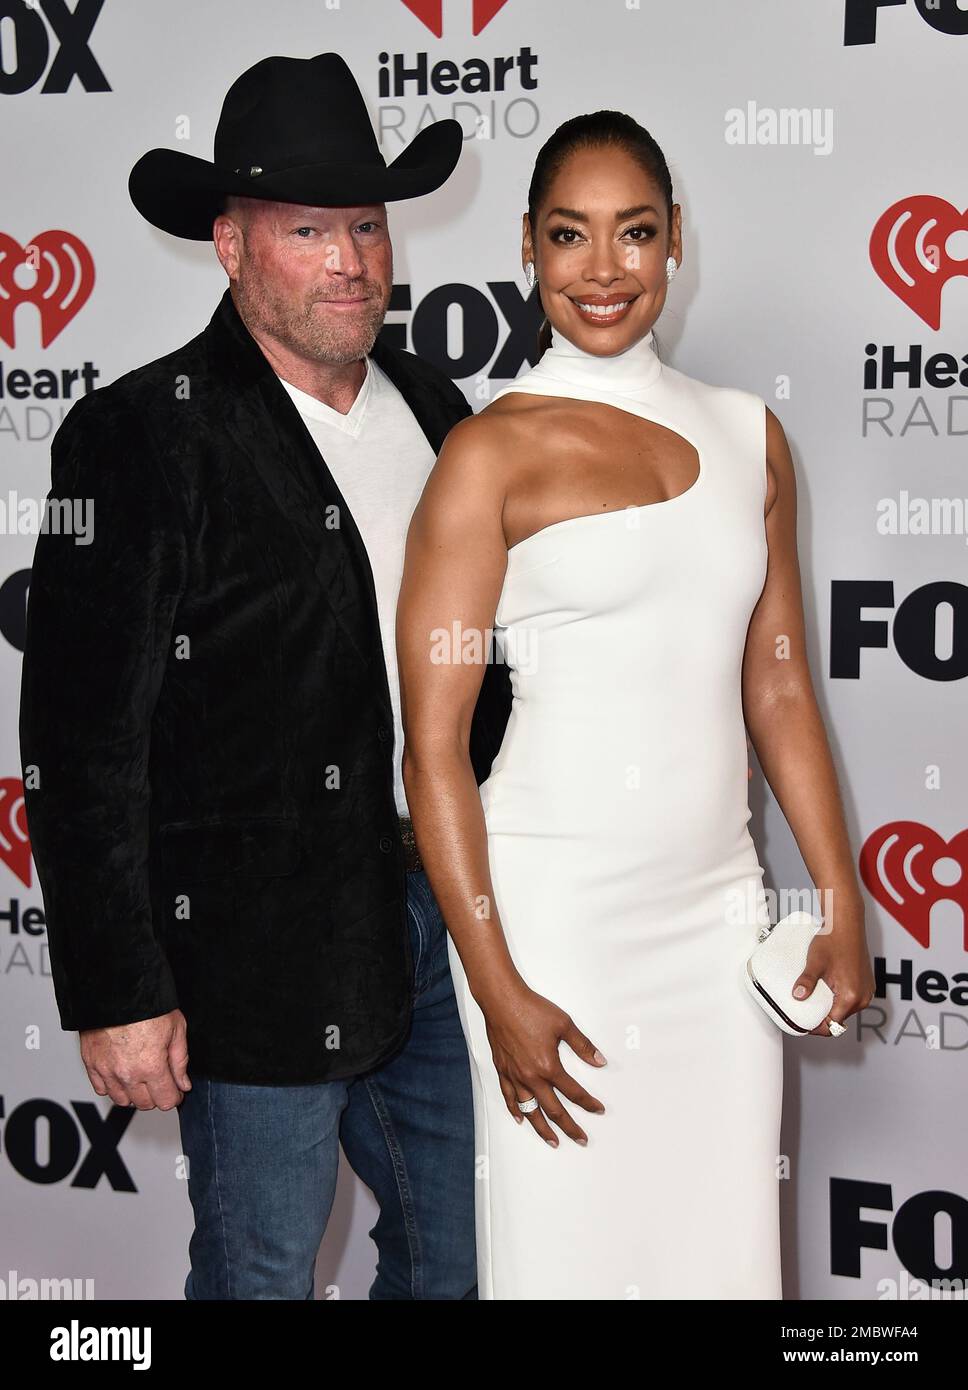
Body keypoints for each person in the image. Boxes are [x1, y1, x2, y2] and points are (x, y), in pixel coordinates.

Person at [19, 51, 511, 1301]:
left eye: (363, 224)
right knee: (258, 1274)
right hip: (247, 958)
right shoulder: (138, 433)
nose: (348, 258)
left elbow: (485, 674)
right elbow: (82, 741)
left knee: (460, 1265)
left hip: (436, 927)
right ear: (231, 246)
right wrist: (118, 990)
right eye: (306, 229)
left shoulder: (436, 404)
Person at [396, 110, 875, 1299]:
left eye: (633, 234)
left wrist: (835, 897)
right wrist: (495, 981)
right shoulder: (485, 457)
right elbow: (432, 750)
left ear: (674, 245)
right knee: (565, 1265)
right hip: (551, 922)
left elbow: (776, 688)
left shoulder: (747, 437)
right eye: (569, 236)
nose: (601, 270)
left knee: (719, 1265)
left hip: (716, 923)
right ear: (526, 246)